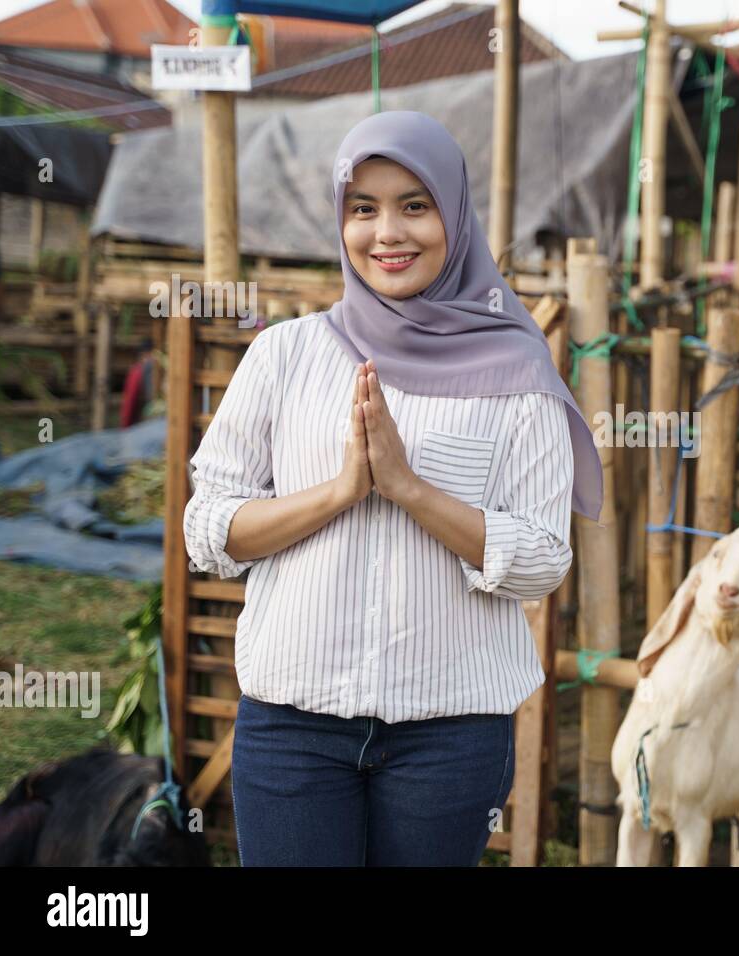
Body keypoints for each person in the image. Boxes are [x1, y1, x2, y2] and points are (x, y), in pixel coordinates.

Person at [182, 110, 604, 866]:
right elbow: (209, 529)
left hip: (449, 737)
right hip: (292, 728)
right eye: (363, 208)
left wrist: (410, 490)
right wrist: (340, 492)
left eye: (415, 205)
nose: (388, 233)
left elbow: (543, 559)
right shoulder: (287, 355)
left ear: (456, 212)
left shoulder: (518, 374)